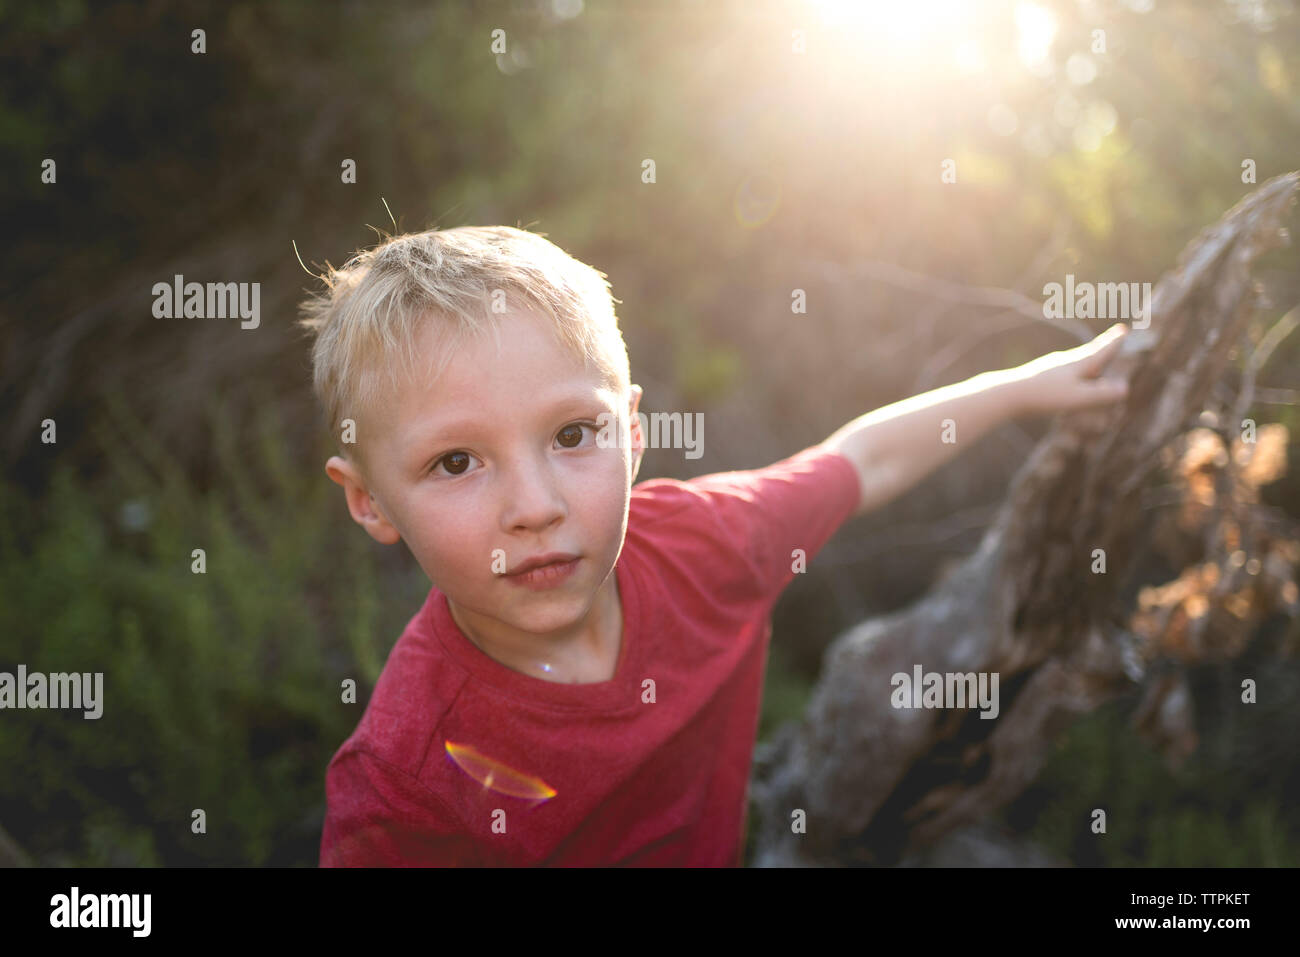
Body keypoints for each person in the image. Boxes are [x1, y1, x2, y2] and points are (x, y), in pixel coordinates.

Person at [299, 225, 1130, 866]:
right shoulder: (404, 788)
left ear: (631, 431)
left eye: (572, 433)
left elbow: (860, 459)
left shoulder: (703, 547)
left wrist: (1030, 385)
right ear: (369, 499)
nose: (537, 506)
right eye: (456, 461)